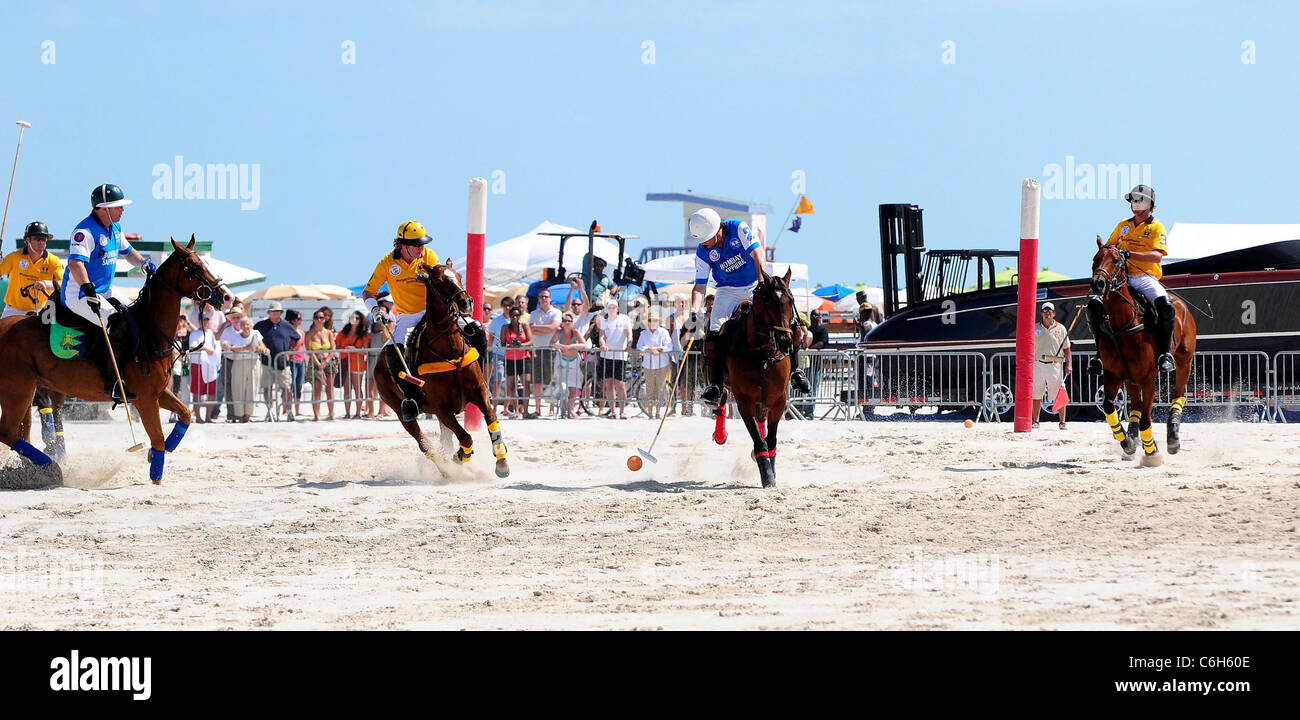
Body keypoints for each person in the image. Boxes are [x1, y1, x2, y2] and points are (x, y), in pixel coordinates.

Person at [683, 208, 811, 408]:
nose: (704, 243)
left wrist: (761, 282)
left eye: (707, 238)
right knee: (714, 330)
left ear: (718, 230)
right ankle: (715, 385)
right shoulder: (703, 251)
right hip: (726, 290)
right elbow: (699, 286)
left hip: (754, 284)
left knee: (785, 321)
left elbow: (758, 253)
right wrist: (694, 312)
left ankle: (795, 371)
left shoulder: (737, 228)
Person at [361, 221, 485, 422]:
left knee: (477, 330)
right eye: (416, 244)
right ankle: (412, 399)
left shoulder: (428, 255)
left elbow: (440, 278)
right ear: (403, 245)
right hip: (408, 316)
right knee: (393, 352)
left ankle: (481, 380)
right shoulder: (387, 263)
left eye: (422, 243)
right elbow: (369, 292)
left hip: (434, 312)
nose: (421, 248)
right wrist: (375, 310)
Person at [60, 184, 156, 401]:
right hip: (79, 295)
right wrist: (87, 288)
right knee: (116, 322)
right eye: (118, 207)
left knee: (134, 314)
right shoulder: (84, 232)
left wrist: (144, 264)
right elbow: (76, 264)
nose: (122, 210)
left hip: (105, 290)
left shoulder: (115, 228)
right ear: (102, 208)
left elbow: (129, 253)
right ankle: (112, 382)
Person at [1088, 184, 1175, 375]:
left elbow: (1157, 256)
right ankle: (1098, 355)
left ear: (1150, 205)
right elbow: (1110, 248)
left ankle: (1165, 354)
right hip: (1121, 279)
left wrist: (1130, 253)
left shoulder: (1156, 227)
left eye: (1140, 200)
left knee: (1166, 305)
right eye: (1134, 200)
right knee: (1093, 305)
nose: (1135, 204)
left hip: (1145, 277)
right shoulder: (1123, 225)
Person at [0, 222, 63, 319]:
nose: (41, 242)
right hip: (13, 310)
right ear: (28, 240)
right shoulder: (13, 257)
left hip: (43, 310)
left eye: (44, 239)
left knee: (54, 333)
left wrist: (46, 284)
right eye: (37, 239)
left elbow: (62, 283)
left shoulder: (53, 261)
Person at [252, 301, 297, 421]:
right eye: (273, 311)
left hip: (283, 362)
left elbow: (297, 338)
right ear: (269, 313)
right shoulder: (260, 325)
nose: (275, 313)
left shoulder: (287, 326)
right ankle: (270, 410)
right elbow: (252, 336)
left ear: (281, 313)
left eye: (278, 311)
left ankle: (288, 411)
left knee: (286, 388)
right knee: (267, 387)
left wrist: (290, 351)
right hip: (266, 361)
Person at [1033, 301, 1072, 429]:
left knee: (1059, 393)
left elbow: (1067, 349)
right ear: (1041, 313)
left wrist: (1069, 365)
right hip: (1038, 364)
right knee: (1036, 394)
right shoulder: (1035, 328)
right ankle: (1035, 421)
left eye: (1050, 311)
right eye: (1045, 311)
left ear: (1054, 313)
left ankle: (1062, 422)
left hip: (1055, 365)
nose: (1047, 313)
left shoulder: (1061, 329)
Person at [223, 316, 267, 422]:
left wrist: (255, 348)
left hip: (253, 363)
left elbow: (262, 347)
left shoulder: (256, 333)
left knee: (252, 389)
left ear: (251, 325)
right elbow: (233, 348)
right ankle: (239, 415)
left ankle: (248, 415)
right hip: (239, 363)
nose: (246, 327)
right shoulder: (237, 336)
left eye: (248, 324)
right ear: (241, 326)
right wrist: (247, 348)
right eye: (243, 325)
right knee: (238, 389)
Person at [527, 288, 562, 418]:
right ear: (539, 299)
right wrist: (547, 328)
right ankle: (537, 409)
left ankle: (552, 408)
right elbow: (532, 330)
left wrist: (538, 328)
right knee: (537, 381)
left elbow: (554, 327)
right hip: (537, 349)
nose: (544, 299)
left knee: (551, 380)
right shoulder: (534, 313)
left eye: (546, 296)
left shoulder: (557, 312)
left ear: (550, 298)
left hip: (550, 349)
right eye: (541, 296)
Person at [598, 300, 632, 419]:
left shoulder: (624, 319)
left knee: (620, 384)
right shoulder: (604, 322)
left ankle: (622, 411)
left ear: (617, 309)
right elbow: (601, 336)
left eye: (613, 307)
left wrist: (629, 344)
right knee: (608, 384)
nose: (611, 309)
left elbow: (629, 333)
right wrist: (603, 344)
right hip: (607, 356)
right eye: (609, 307)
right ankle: (613, 411)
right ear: (607, 309)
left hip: (620, 356)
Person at [335, 310, 372, 419]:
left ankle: (358, 413)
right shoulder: (344, 331)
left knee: (357, 388)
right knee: (346, 388)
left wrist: (354, 349)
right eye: (352, 317)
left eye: (357, 318)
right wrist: (343, 349)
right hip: (346, 363)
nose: (354, 319)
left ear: (360, 320)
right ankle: (347, 413)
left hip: (358, 364)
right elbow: (337, 344)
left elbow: (366, 351)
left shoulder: (363, 334)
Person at [636, 311, 672, 419]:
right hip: (648, 364)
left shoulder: (663, 332)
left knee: (660, 387)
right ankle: (650, 412)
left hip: (662, 363)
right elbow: (639, 346)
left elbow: (669, 346)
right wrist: (649, 349)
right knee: (649, 387)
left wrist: (658, 349)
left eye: (655, 320)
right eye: (650, 320)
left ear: (659, 321)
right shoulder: (644, 333)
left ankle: (658, 411)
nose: (653, 322)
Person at [553, 311, 588, 418]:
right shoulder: (559, 332)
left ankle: (571, 409)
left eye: (569, 321)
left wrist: (572, 346)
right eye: (565, 321)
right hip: (562, 360)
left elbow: (584, 345)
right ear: (562, 322)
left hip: (573, 361)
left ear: (572, 322)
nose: (567, 323)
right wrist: (562, 346)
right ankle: (564, 409)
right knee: (563, 386)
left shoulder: (575, 332)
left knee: (573, 387)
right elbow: (552, 343)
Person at [305, 307, 338, 421]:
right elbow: (309, 350)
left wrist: (327, 361)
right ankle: (316, 415)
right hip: (315, 363)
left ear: (325, 319)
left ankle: (331, 414)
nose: (319, 320)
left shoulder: (328, 332)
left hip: (328, 362)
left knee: (330, 389)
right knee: (317, 390)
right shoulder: (310, 334)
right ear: (314, 319)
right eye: (317, 318)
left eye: (321, 318)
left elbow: (333, 348)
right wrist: (318, 364)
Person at [798, 309, 831, 417]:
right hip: (805, 363)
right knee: (802, 386)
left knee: (812, 387)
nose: (814, 316)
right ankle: (801, 409)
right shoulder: (808, 329)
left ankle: (809, 412)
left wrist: (808, 348)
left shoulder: (823, 329)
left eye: (816, 315)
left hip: (816, 363)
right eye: (812, 315)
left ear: (820, 316)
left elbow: (821, 344)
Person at [500, 305, 531, 419]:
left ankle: (526, 410)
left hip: (524, 357)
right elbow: (502, 343)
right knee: (512, 386)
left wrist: (520, 345)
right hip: (510, 358)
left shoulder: (524, 326)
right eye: (512, 315)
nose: (514, 317)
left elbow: (531, 341)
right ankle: (517, 410)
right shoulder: (505, 327)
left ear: (520, 316)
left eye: (517, 315)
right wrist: (511, 344)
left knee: (526, 384)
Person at [367, 293, 394, 418]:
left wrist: (384, 325)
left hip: (382, 358)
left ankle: (381, 411)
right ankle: (371, 411)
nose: (379, 316)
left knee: (382, 386)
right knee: (370, 385)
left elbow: (386, 338)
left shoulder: (389, 325)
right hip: (372, 357)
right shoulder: (371, 326)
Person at [187, 318, 220, 423]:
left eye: (207, 321)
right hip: (198, 364)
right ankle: (198, 417)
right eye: (202, 320)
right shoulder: (194, 334)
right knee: (197, 392)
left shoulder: (211, 334)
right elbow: (192, 347)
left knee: (211, 392)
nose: (205, 322)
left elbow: (216, 347)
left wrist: (212, 351)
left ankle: (208, 417)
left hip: (210, 365)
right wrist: (205, 349)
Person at [285, 309, 307, 418]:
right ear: (293, 320)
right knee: (291, 385)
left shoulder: (302, 332)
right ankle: (288, 409)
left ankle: (297, 410)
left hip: (300, 360)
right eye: (298, 319)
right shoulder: (288, 331)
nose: (300, 320)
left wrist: (306, 361)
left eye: (300, 318)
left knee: (299, 385)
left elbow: (304, 348)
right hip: (292, 360)